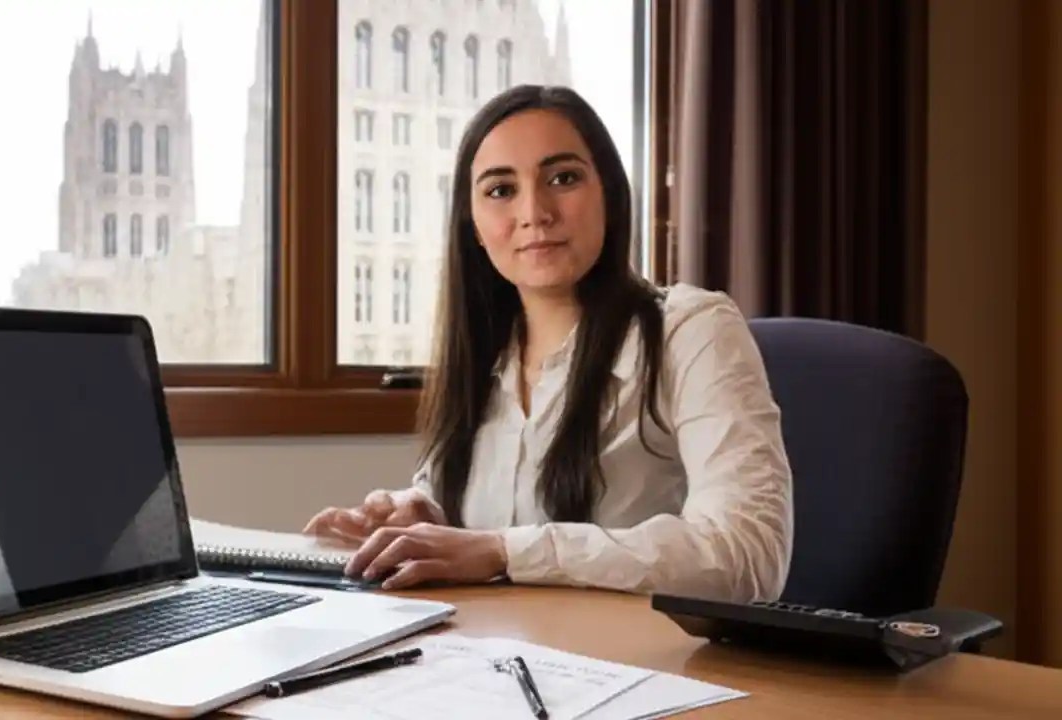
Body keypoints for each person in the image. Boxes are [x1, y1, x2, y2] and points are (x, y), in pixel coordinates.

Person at [304, 84, 793, 602]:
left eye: (563, 178)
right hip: (490, 655)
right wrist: (423, 512)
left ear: (608, 190)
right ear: (473, 225)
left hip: (646, 667)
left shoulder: (690, 329)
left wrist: (503, 551)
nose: (535, 211)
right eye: (500, 190)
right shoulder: (484, 349)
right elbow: (491, 523)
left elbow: (748, 555)